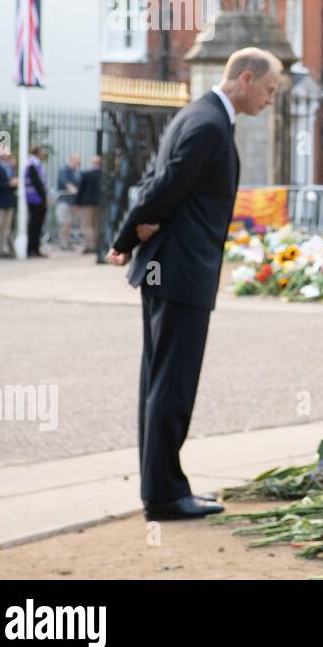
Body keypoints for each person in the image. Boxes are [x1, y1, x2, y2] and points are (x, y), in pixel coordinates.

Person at [106, 48, 281, 521]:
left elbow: (154, 179)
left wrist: (131, 233)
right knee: (172, 385)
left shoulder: (198, 115)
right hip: (180, 271)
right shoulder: (207, 125)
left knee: (162, 382)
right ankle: (163, 496)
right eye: (269, 90)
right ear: (245, 78)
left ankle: (166, 486)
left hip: (172, 268)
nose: (271, 100)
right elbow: (164, 186)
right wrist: (126, 235)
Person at [24, 146, 48, 257]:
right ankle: (32, 249)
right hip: (36, 198)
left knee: (36, 225)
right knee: (35, 225)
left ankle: (35, 249)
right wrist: (44, 197)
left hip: (35, 197)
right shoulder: (33, 164)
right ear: (38, 152)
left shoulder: (33, 163)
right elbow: (38, 183)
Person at [55, 153, 82, 249]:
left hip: (73, 203)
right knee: (64, 223)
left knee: (69, 223)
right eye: (77, 163)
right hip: (64, 201)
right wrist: (75, 191)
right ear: (71, 161)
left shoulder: (77, 172)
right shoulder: (64, 171)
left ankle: (68, 242)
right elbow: (67, 184)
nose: (78, 165)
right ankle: (63, 243)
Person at [76, 155, 102, 252]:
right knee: (96, 225)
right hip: (99, 203)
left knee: (86, 225)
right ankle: (96, 245)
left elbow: (81, 189)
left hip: (87, 204)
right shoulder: (104, 174)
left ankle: (90, 245)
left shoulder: (86, 174)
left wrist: (77, 202)